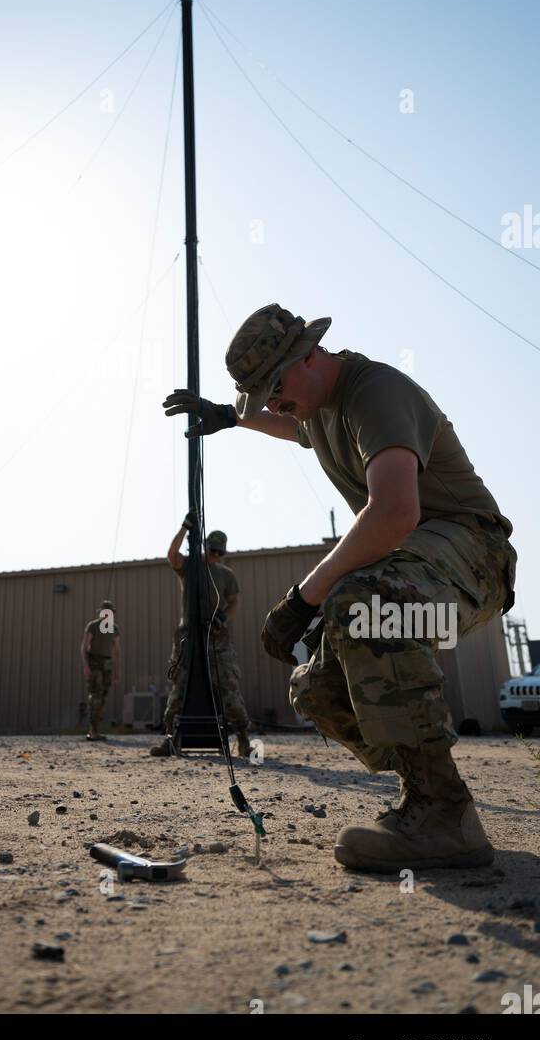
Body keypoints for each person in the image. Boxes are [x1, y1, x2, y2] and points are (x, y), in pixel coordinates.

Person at [164, 303, 517, 871]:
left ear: (310, 355)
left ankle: (442, 815)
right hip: (412, 571)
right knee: (319, 688)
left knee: (362, 603)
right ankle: (436, 799)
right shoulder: (316, 407)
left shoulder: (374, 391)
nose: (274, 406)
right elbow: (291, 423)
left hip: (474, 555)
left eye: (275, 390)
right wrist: (232, 418)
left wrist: (303, 597)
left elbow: (395, 513)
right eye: (264, 399)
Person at [150, 516, 252, 759]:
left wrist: (223, 618)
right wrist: (185, 528)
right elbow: (172, 555)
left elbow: (235, 602)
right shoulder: (190, 567)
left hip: (217, 637)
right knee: (180, 688)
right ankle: (171, 739)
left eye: (220, 551)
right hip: (188, 637)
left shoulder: (226, 575)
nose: (215, 555)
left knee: (228, 686)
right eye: (212, 549)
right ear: (205, 546)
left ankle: (244, 739)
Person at [80, 600, 121, 740]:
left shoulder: (114, 628)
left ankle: (96, 730)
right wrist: (86, 665)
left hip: (107, 664)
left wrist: (116, 672)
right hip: (94, 663)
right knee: (95, 696)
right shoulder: (93, 626)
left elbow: (116, 651)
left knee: (103, 696)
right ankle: (92, 731)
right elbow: (84, 647)